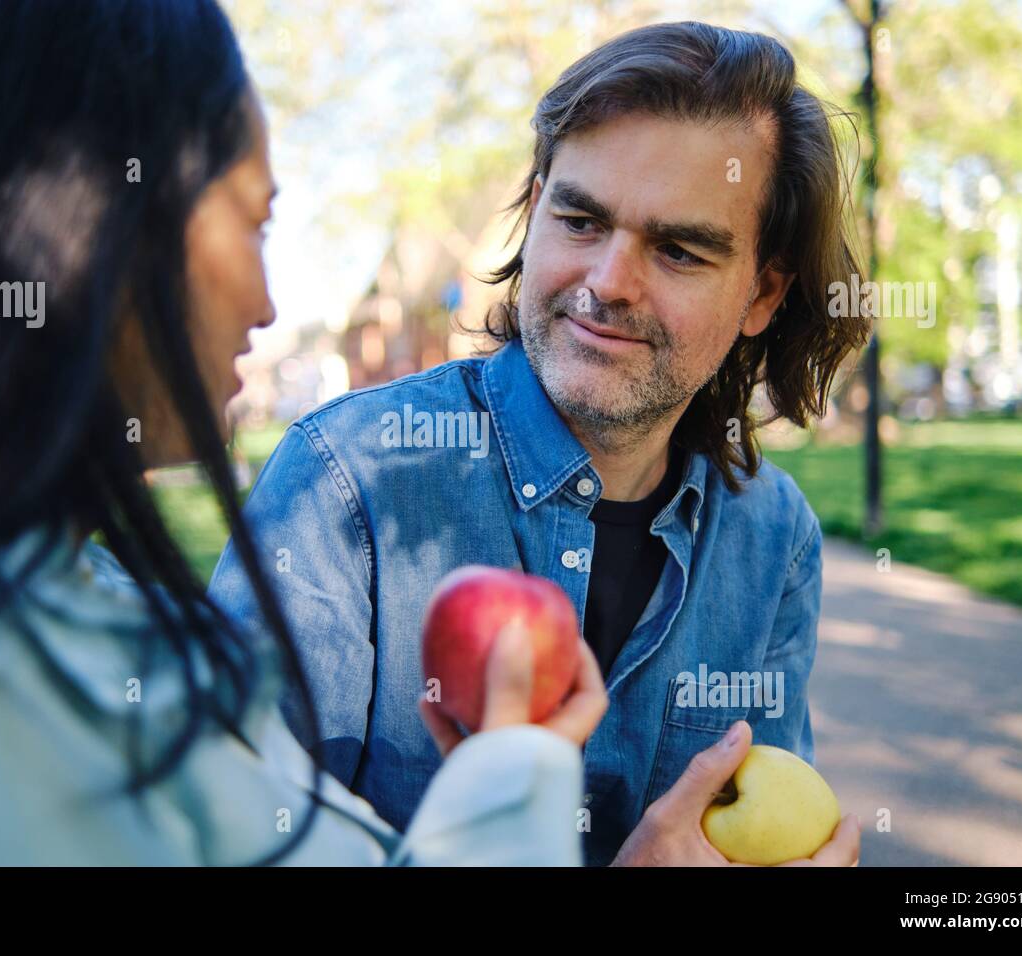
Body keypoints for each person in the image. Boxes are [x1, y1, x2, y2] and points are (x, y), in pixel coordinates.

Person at [0, 0, 609, 866]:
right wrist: (516, 791)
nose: (266, 305)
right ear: (84, 228)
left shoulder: (37, 604)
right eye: (254, 223)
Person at [209, 22, 870, 866]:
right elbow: (230, 846)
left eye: (678, 249)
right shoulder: (345, 487)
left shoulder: (774, 543)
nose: (607, 284)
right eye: (582, 220)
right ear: (534, 212)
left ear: (762, 295)